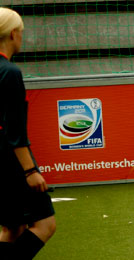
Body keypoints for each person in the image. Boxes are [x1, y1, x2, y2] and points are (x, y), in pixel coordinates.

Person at [0, 7, 57, 259]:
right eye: (21, 32)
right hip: (10, 161)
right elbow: (14, 128)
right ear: (13, 33)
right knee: (45, 224)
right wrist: (30, 171)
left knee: (12, 228)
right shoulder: (9, 72)